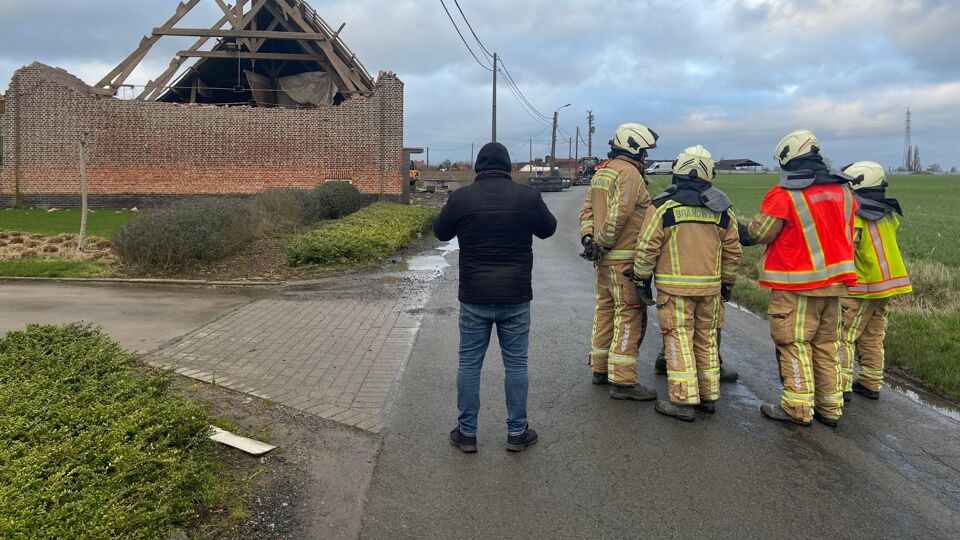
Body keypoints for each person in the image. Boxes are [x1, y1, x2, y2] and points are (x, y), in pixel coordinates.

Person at [433, 142, 557, 453]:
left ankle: (467, 433)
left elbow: (440, 232)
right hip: (515, 297)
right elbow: (549, 229)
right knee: (516, 365)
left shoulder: (461, 198)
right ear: (508, 166)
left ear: (477, 167)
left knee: (469, 364)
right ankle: (517, 433)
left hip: (474, 296)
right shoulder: (527, 197)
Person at [739, 129, 858, 427]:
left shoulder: (784, 193)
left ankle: (797, 407)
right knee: (827, 345)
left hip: (797, 283)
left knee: (794, 343)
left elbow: (760, 232)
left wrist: (740, 232)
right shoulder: (843, 191)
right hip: (835, 284)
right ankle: (830, 409)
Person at [631, 145, 741, 422]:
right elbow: (733, 251)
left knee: (679, 340)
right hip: (711, 291)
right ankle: (707, 396)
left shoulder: (663, 207)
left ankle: (682, 401)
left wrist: (641, 279)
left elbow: (647, 248)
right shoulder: (723, 211)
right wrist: (727, 283)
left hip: (674, 291)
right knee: (705, 341)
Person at [578, 123, 659, 401]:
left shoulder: (603, 172)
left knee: (605, 311)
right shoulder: (629, 174)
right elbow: (620, 213)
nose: (645, 157)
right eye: (644, 150)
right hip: (624, 259)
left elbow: (587, 210)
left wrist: (589, 240)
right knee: (629, 315)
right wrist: (603, 242)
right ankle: (623, 382)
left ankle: (600, 368)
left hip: (603, 260)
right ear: (634, 146)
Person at [837, 161, 912, 400]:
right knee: (873, 336)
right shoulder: (887, 212)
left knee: (843, 336)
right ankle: (870, 382)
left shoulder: (857, 214)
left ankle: (841, 385)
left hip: (860, 287)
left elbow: (848, 247)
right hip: (885, 287)